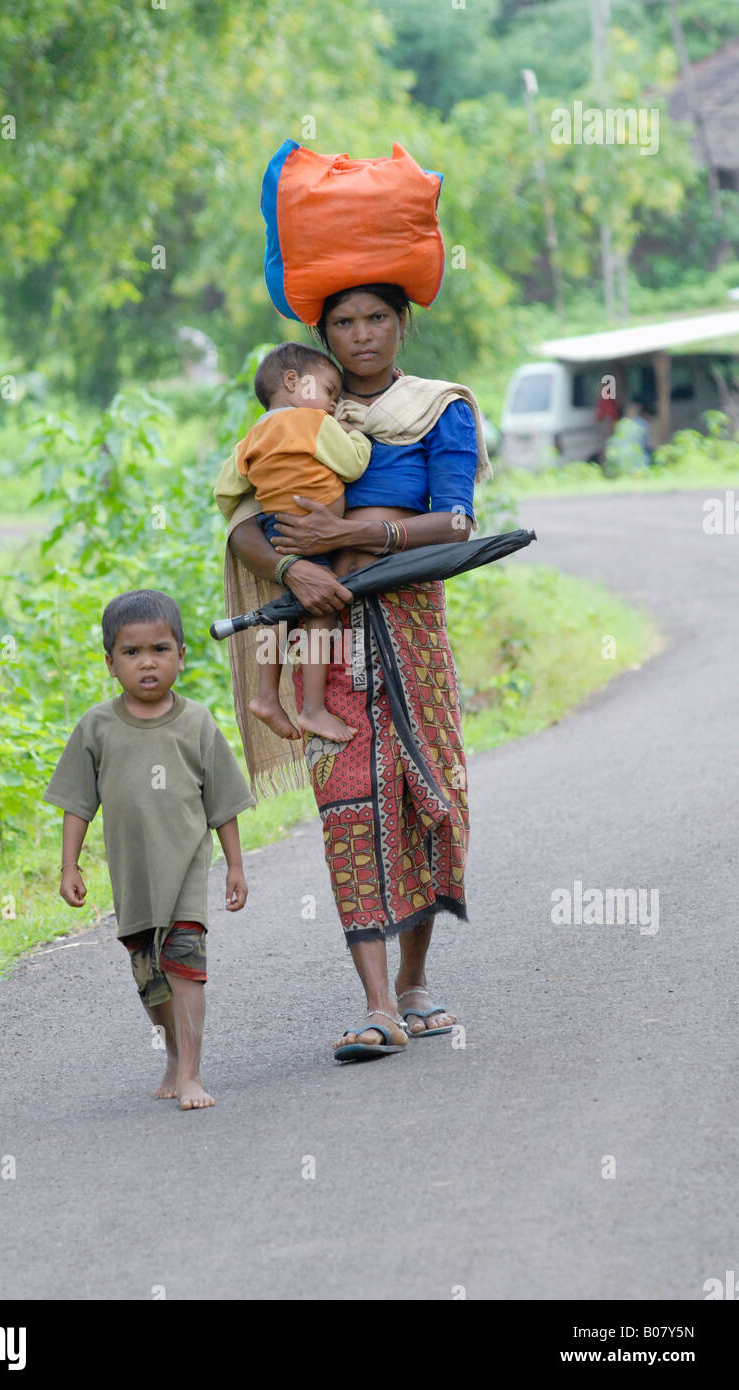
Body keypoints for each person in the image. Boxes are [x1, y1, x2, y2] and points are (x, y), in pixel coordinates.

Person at [222, 284, 492, 1062]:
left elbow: (457, 520)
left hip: (411, 630)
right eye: (344, 321)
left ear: (403, 324)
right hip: (319, 635)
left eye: (377, 317)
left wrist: (353, 530)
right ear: (323, 334)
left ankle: (413, 984)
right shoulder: (294, 414)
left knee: (428, 802)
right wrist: (292, 570)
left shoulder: (439, 410)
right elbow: (243, 521)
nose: (362, 334)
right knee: (350, 803)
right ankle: (377, 1006)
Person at [44, 589, 254, 1109]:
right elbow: (76, 803)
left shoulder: (197, 723)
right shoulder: (96, 727)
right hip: (132, 880)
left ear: (181, 655)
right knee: (151, 984)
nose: (147, 664)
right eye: (131, 653)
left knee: (185, 965)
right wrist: (69, 864)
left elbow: (222, 803)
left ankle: (192, 1074)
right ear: (110, 663)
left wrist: (235, 866)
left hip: (183, 872)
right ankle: (173, 1051)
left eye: (160, 649)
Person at [215, 342, 372, 744]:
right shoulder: (314, 423)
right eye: (329, 391)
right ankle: (313, 708)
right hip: (313, 531)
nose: (333, 404)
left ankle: (267, 696)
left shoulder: (252, 436)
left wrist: (267, 499)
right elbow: (353, 467)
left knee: (282, 607)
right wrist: (357, 436)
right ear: (293, 382)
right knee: (322, 608)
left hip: (276, 529)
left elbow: (226, 492)